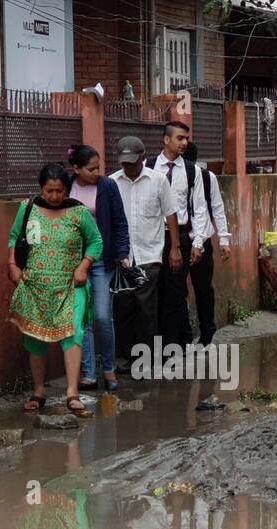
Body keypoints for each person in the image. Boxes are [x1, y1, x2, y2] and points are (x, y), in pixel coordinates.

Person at [7, 163, 103, 414]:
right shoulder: (28, 208)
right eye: (49, 191)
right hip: (34, 286)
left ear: (67, 190)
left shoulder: (79, 213)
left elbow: (95, 241)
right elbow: (14, 237)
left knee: (74, 333)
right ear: (41, 188)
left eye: (59, 191)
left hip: (71, 285)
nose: (54, 196)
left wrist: (84, 266)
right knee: (34, 338)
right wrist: (12, 265)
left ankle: (72, 392)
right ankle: (39, 391)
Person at [108, 136, 181, 374]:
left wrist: (175, 248)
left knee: (146, 309)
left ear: (143, 158)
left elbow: (170, 214)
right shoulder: (112, 183)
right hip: (123, 257)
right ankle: (128, 356)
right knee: (123, 307)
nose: (128, 167)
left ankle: (145, 359)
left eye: (132, 162)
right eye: (124, 163)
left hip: (149, 254)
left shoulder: (158, 180)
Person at [68, 144, 131, 392]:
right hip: (74, 262)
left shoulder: (107, 186)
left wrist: (123, 253)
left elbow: (120, 221)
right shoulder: (67, 187)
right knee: (82, 318)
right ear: (76, 169)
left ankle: (108, 368)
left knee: (103, 316)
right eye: (91, 169)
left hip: (102, 260)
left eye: (98, 168)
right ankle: (88, 373)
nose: (97, 172)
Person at [149, 121, 209, 349]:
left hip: (181, 237)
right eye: (179, 138)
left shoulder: (192, 171)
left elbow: (200, 208)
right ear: (166, 140)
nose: (184, 143)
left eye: (186, 139)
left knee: (175, 291)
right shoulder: (149, 166)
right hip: (153, 236)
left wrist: (197, 243)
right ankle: (159, 343)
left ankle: (171, 345)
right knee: (155, 290)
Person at [181, 141, 231, 345]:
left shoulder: (206, 177)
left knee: (202, 288)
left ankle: (207, 331)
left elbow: (217, 208)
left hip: (201, 238)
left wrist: (224, 239)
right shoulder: (166, 177)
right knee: (177, 290)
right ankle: (184, 335)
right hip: (178, 240)